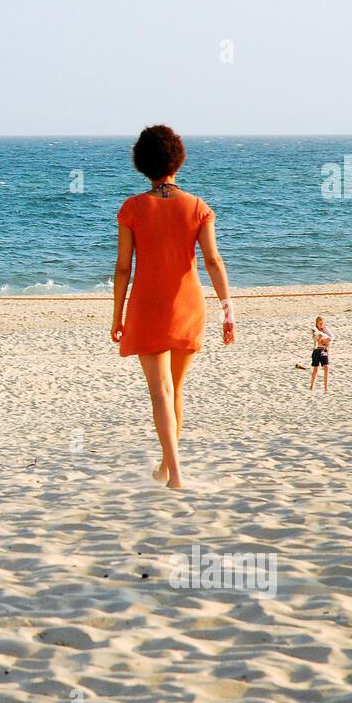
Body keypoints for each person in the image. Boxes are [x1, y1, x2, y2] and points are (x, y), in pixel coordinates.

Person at [111, 125, 235, 489]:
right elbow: (213, 261)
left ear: (142, 163)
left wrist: (117, 316)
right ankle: (167, 466)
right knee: (175, 390)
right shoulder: (197, 207)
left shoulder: (132, 209)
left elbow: (122, 268)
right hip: (188, 305)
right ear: (177, 161)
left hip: (148, 306)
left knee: (161, 391)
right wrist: (228, 311)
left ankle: (175, 473)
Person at [309, 315, 334, 392]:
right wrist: (321, 339)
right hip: (317, 350)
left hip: (324, 350)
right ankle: (312, 385)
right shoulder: (314, 330)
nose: (321, 325)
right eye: (320, 324)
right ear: (316, 324)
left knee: (326, 368)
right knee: (315, 369)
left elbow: (331, 337)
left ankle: (326, 388)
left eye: (322, 323)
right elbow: (317, 340)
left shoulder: (325, 330)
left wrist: (325, 341)